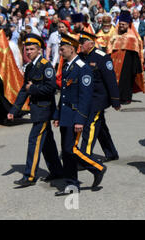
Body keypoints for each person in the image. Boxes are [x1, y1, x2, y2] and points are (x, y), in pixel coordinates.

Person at [53, 33, 107, 196]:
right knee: (67, 151)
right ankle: (71, 184)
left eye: (62, 49)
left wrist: (80, 120)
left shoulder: (83, 68)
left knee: (71, 149)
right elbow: (63, 94)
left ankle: (97, 168)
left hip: (76, 115)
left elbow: (85, 98)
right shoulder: (67, 66)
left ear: (71, 48)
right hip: (66, 114)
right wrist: (57, 115)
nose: (60, 52)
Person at [7, 34, 64, 187]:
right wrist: (14, 109)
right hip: (37, 109)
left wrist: (33, 88)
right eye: (27, 49)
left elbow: (51, 88)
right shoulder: (31, 67)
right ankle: (57, 171)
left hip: (44, 110)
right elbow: (23, 90)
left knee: (34, 141)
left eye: (32, 49)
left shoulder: (45, 65)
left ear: (39, 50)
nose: (29, 51)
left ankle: (29, 176)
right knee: (47, 143)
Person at [78, 31, 121, 162]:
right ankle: (111, 152)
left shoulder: (102, 57)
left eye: (82, 43)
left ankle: (85, 156)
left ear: (91, 43)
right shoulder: (80, 57)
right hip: (86, 98)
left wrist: (115, 100)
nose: (80, 46)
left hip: (98, 98)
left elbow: (110, 80)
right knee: (100, 127)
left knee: (90, 125)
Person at [108, 10, 145, 104]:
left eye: (123, 24)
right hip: (114, 61)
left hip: (128, 63)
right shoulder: (114, 35)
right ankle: (115, 98)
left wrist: (135, 67)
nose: (121, 26)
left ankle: (126, 98)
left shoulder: (132, 37)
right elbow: (109, 48)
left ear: (128, 24)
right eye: (120, 24)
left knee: (126, 81)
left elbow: (136, 53)